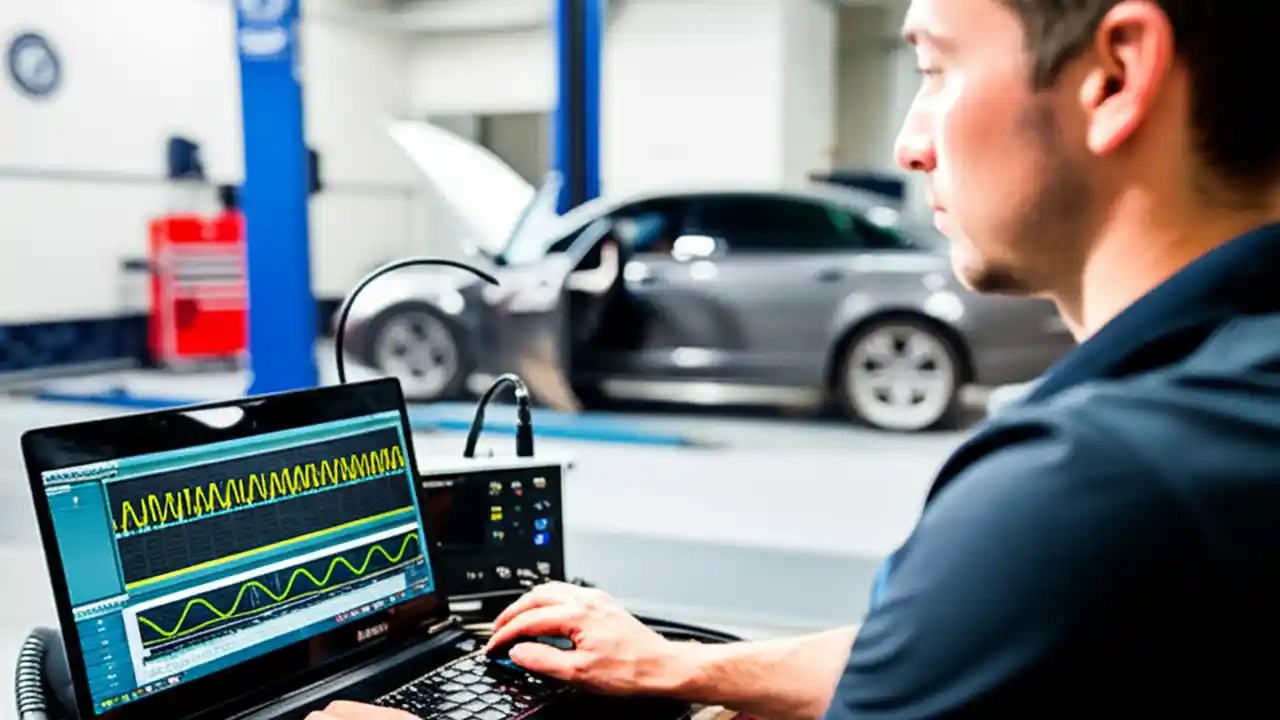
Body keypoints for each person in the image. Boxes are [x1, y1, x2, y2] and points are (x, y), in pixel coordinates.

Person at [310, 0, 1280, 718]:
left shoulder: (1091, 486)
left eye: (935, 70)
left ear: (1113, 75)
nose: (908, 141)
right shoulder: (1226, 391)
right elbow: (953, 648)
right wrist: (686, 670)